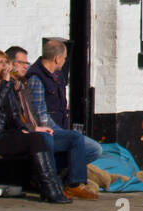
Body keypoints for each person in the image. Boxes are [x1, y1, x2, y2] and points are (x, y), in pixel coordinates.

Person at [0, 50, 71, 203]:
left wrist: (32, 128)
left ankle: (52, 189)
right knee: (36, 141)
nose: (4, 66)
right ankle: (50, 190)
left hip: (6, 134)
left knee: (38, 138)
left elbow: (15, 114)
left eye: (5, 62)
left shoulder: (6, 85)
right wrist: (6, 81)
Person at [6, 45, 94, 199]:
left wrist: (38, 127)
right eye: (22, 63)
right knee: (46, 138)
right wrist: (34, 128)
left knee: (76, 138)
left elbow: (30, 114)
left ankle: (73, 184)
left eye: (27, 63)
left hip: (34, 129)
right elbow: (13, 118)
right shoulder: (10, 87)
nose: (26, 66)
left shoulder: (22, 86)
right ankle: (50, 185)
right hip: (21, 133)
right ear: (11, 64)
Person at [24, 39, 103, 196]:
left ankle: (58, 176)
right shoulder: (36, 78)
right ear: (57, 58)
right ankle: (75, 184)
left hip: (60, 127)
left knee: (94, 149)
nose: (64, 60)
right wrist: (62, 132)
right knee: (76, 140)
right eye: (65, 57)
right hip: (46, 131)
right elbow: (40, 115)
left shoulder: (57, 75)